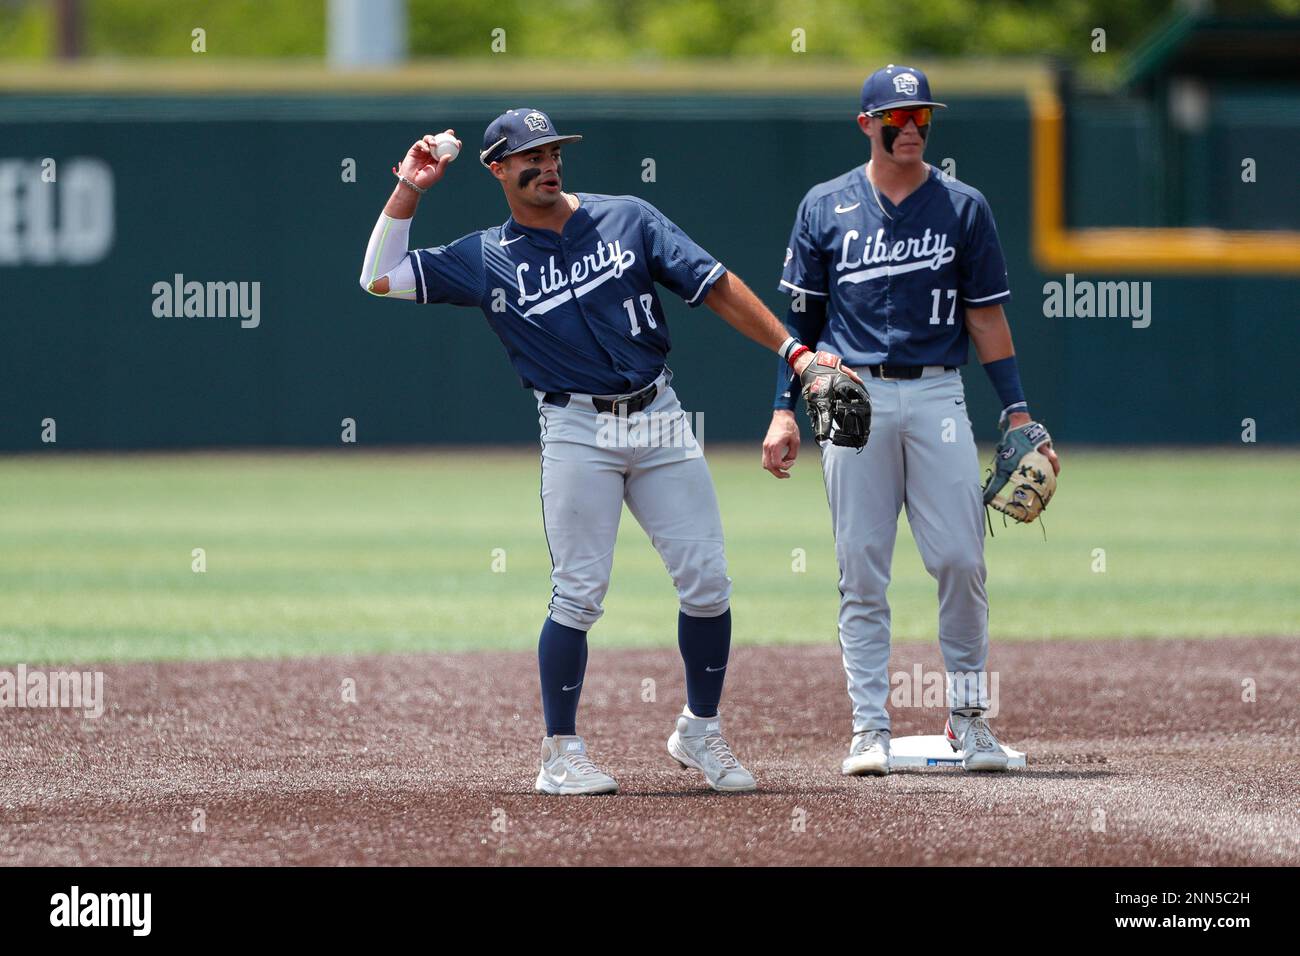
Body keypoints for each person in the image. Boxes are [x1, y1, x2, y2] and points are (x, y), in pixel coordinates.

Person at [360, 108, 847, 794]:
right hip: (576, 431)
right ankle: (560, 753)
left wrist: (794, 354)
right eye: (529, 156)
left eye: (553, 150)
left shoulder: (628, 218)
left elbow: (716, 286)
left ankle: (699, 731)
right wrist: (411, 187)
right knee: (579, 595)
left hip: (660, 418)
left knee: (707, 583)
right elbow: (378, 276)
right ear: (497, 169)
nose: (547, 163)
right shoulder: (484, 257)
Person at [760, 66, 1061, 775]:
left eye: (923, 116)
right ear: (866, 124)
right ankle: (870, 729)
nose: (913, 128)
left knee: (961, 559)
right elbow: (799, 321)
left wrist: (1015, 406)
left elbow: (985, 316)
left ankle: (969, 721)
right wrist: (781, 410)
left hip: (937, 394)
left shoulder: (963, 206)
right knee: (861, 567)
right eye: (898, 117)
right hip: (849, 395)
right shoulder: (825, 205)